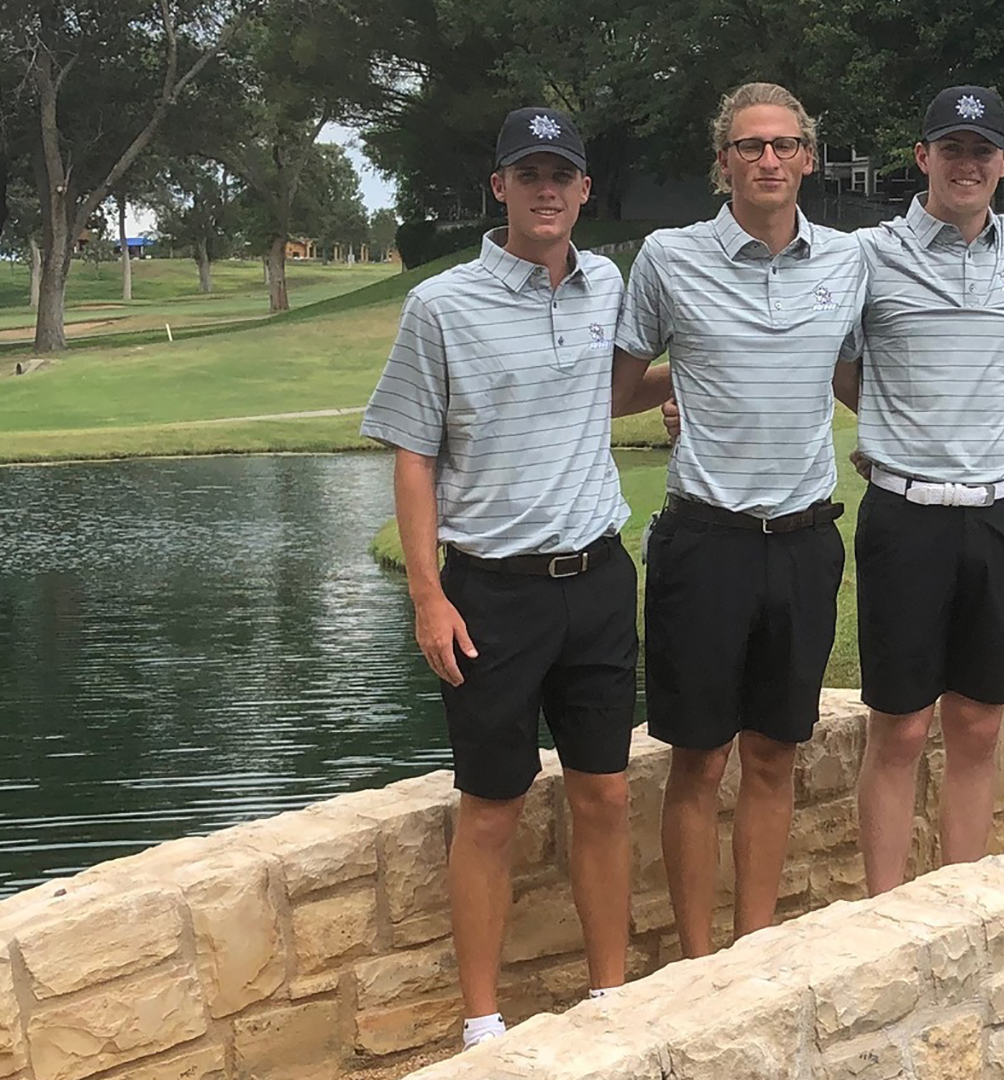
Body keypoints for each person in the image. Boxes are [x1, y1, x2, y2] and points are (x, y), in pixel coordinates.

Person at [360, 107, 635, 1049]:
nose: (547, 189)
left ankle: (611, 997)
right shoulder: (443, 305)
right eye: (529, 174)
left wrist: (692, 389)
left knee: (605, 791)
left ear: (585, 188)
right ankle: (483, 1020)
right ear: (501, 187)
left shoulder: (609, 284)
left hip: (598, 575)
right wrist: (427, 594)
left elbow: (613, 387)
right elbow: (411, 455)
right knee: (491, 804)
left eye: (563, 173)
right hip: (493, 593)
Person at [612, 82, 868, 958]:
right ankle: (694, 962)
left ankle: (751, 951)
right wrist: (685, 382)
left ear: (808, 158)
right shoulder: (668, 258)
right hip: (704, 542)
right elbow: (617, 388)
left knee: (773, 755)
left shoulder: (847, 262)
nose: (768, 160)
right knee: (699, 760)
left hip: (804, 541)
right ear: (722, 162)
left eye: (784, 145)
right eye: (750, 146)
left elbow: (853, 378)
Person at [843, 85, 1004, 895]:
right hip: (908, 518)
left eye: (982, 150)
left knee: (977, 723)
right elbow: (838, 359)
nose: (966, 163)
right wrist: (894, 425)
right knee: (898, 729)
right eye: (950, 148)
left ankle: (961, 908)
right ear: (922, 157)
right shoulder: (869, 254)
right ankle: (886, 916)